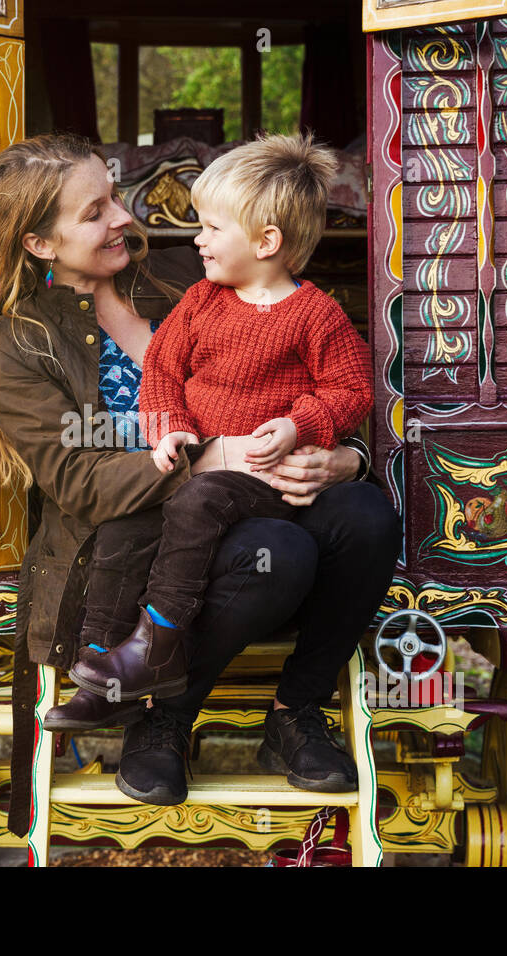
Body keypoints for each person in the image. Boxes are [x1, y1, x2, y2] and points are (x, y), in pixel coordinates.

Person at [0, 133, 400, 831]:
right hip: (146, 540)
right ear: (41, 243)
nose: (125, 219)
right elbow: (79, 481)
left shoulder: (181, 275)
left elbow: (323, 380)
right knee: (276, 556)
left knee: (368, 517)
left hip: (264, 489)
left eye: (114, 198)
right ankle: (164, 716)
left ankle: (295, 712)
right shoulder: (16, 342)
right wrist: (214, 457)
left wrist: (343, 459)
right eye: (96, 211)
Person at [67, 133, 374, 723]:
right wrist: (170, 430)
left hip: (262, 479)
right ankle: (98, 668)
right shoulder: (202, 301)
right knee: (120, 532)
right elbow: (161, 369)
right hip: (197, 465)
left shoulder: (317, 315)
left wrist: (296, 423)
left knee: (200, 500)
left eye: (210, 228)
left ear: (267, 242)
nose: (197, 240)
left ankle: (159, 640)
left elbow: (352, 389)